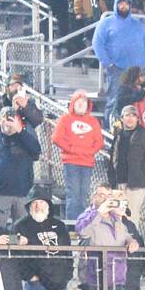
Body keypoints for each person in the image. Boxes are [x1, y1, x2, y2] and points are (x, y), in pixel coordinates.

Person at [14, 190, 75, 290]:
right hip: (36, 285)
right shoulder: (21, 226)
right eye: (35, 202)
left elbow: (68, 253)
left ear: (48, 206)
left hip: (59, 283)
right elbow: (17, 256)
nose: (38, 205)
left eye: (42, 202)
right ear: (29, 206)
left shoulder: (59, 225)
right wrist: (30, 277)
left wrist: (68, 275)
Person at [93, 0, 145, 125]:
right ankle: (110, 130)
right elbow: (97, 43)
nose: (123, 6)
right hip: (117, 69)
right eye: (121, 3)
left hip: (137, 71)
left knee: (138, 101)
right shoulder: (106, 23)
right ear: (116, 5)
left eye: (126, 4)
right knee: (114, 100)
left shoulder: (138, 24)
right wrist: (108, 64)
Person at [52, 91, 104, 220]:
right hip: (71, 162)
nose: (81, 105)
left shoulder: (93, 121)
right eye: (78, 102)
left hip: (87, 163)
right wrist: (71, 149)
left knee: (83, 195)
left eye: (84, 103)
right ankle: (71, 225)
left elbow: (99, 141)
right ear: (73, 104)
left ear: (88, 105)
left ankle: (82, 224)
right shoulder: (65, 119)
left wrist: (89, 151)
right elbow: (56, 138)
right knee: (73, 194)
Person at [110, 105, 145, 224]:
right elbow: (113, 158)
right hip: (119, 181)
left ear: (137, 119)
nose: (130, 118)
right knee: (117, 213)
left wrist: (140, 174)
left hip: (136, 183)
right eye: (127, 115)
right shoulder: (118, 135)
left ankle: (133, 240)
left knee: (132, 214)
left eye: (133, 116)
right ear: (122, 118)